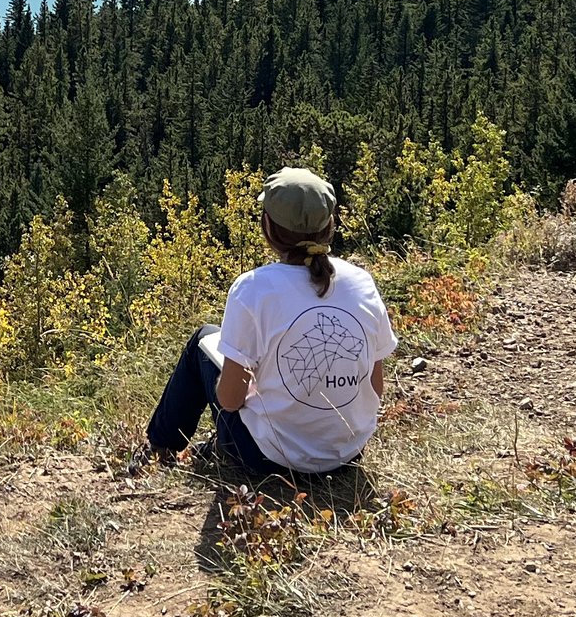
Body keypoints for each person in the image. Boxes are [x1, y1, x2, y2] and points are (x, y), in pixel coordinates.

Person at [146, 163, 397, 485]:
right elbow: (375, 387)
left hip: (266, 458)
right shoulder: (361, 282)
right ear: (330, 223)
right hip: (347, 453)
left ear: (268, 226)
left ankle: (161, 447)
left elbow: (230, 400)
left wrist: (247, 385)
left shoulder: (253, 288)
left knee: (202, 341)